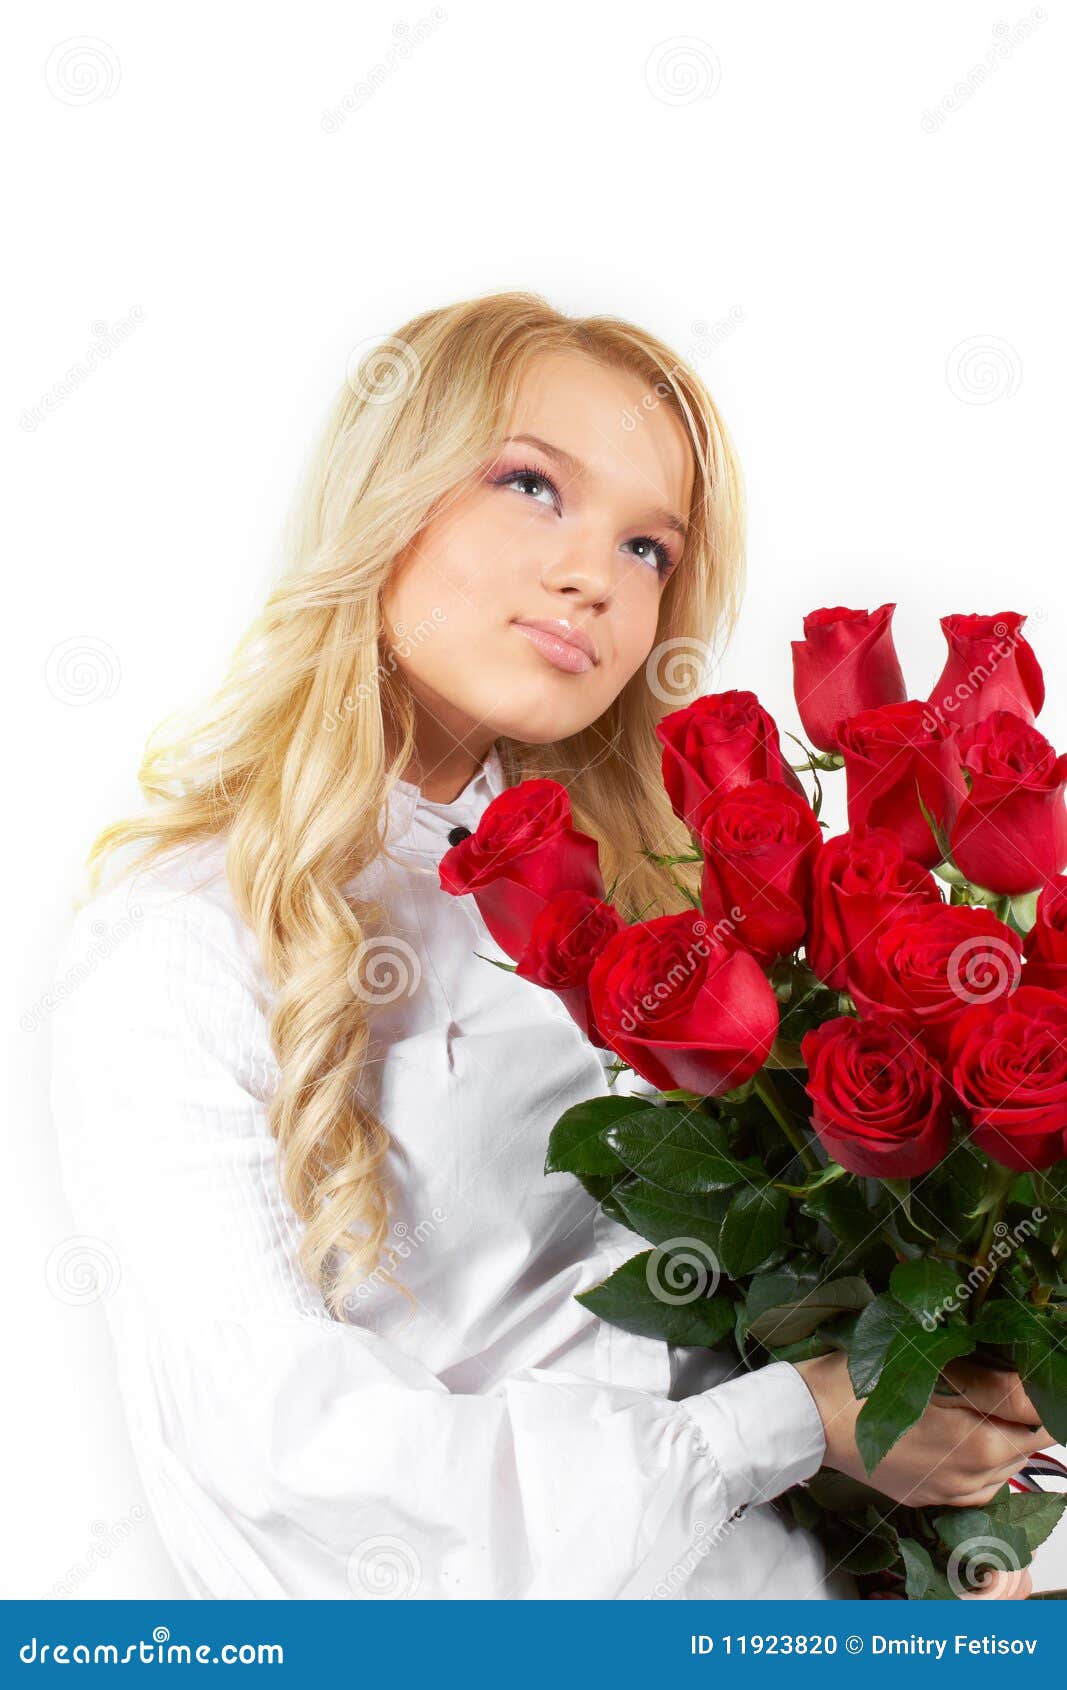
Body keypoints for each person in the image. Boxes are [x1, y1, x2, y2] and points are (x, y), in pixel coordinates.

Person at [49, 291, 1047, 1600]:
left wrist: (944, 1403)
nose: (596, 577)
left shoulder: (654, 906)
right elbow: (287, 1460)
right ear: (387, 491)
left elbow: (745, 1333)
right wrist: (796, 1420)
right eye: (531, 484)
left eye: (648, 546)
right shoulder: (186, 937)